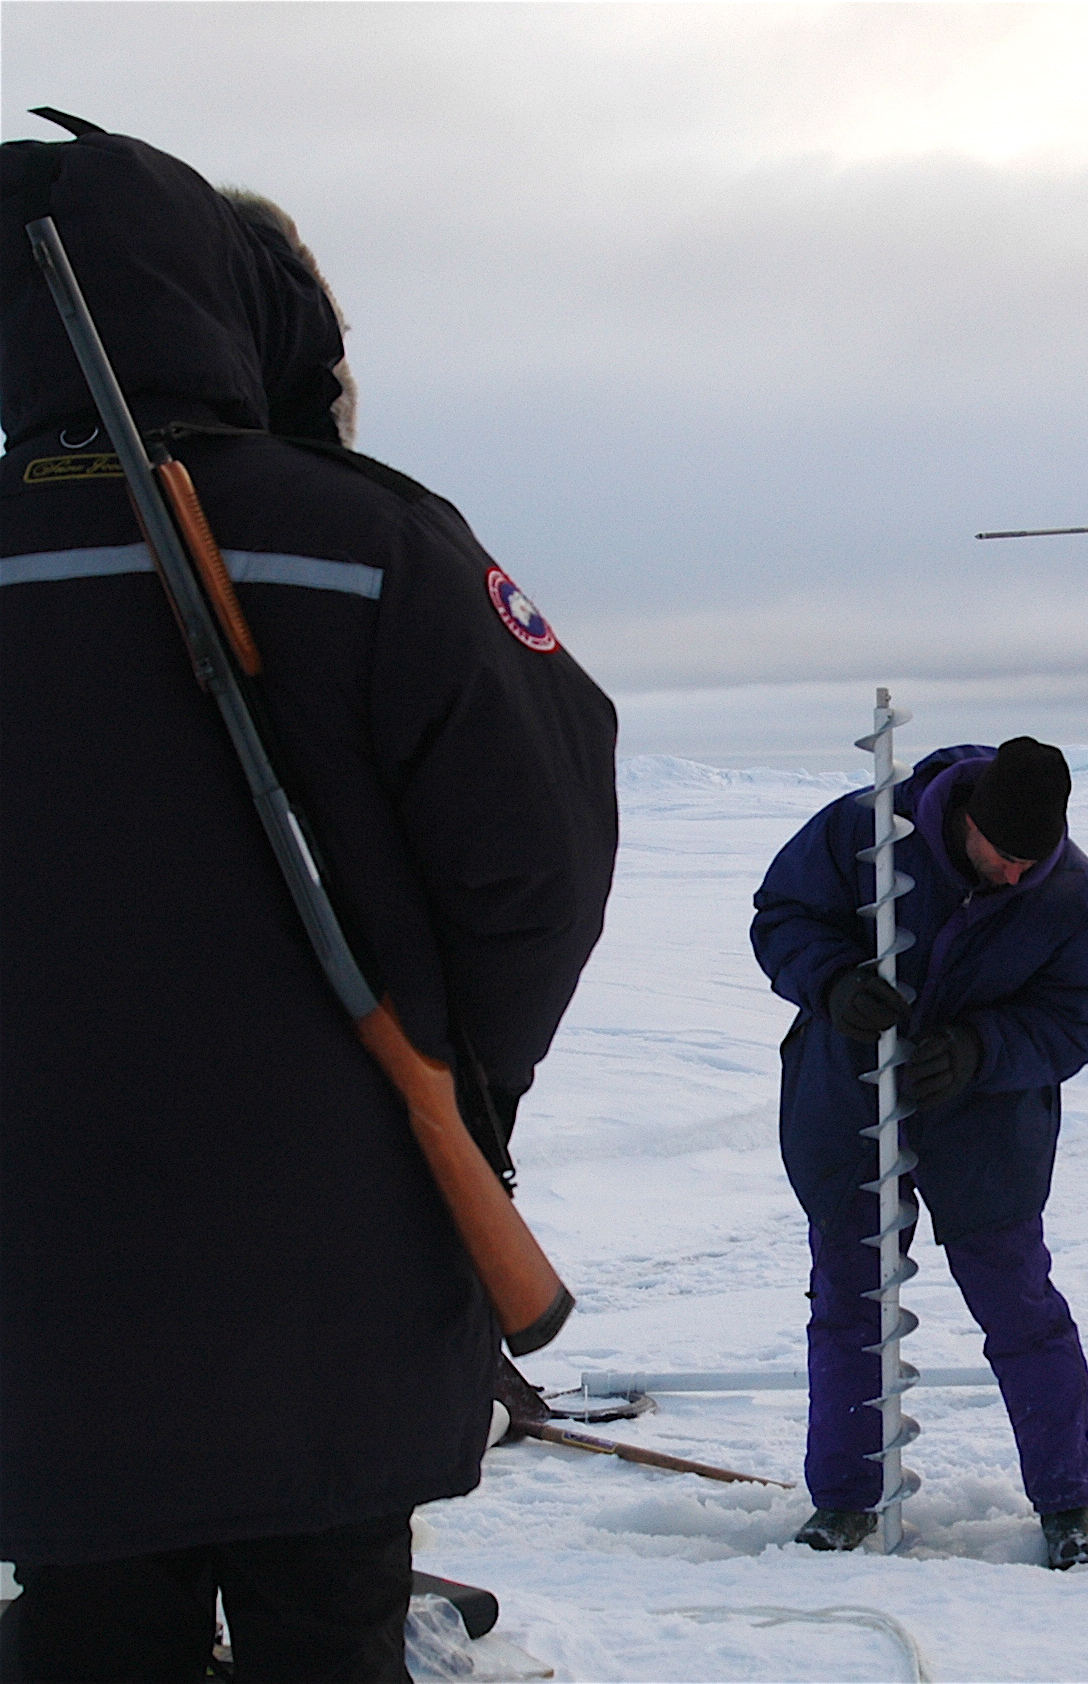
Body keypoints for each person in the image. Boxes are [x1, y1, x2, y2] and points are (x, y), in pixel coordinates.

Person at [0, 119, 618, 1678]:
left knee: (83, 1631)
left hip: (40, 1307)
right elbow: (539, 862)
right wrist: (456, 1078)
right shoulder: (368, 543)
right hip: (333, 1295)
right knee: (327, 1633)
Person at [753, 738, 1088, 1568]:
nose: (1017, 876)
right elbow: (779, 915)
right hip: (848, 1105)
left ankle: (1070, 1501)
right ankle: (845, 1500)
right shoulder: (862, 831)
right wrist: (832, 983)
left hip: (985, 1127)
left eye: (1036, 859)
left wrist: (984, 1051)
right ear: (967, 822)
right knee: (851, 1302)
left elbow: (1086, 1008)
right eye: (1006, 855)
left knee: (1021, 1308)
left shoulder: (1068, 891)